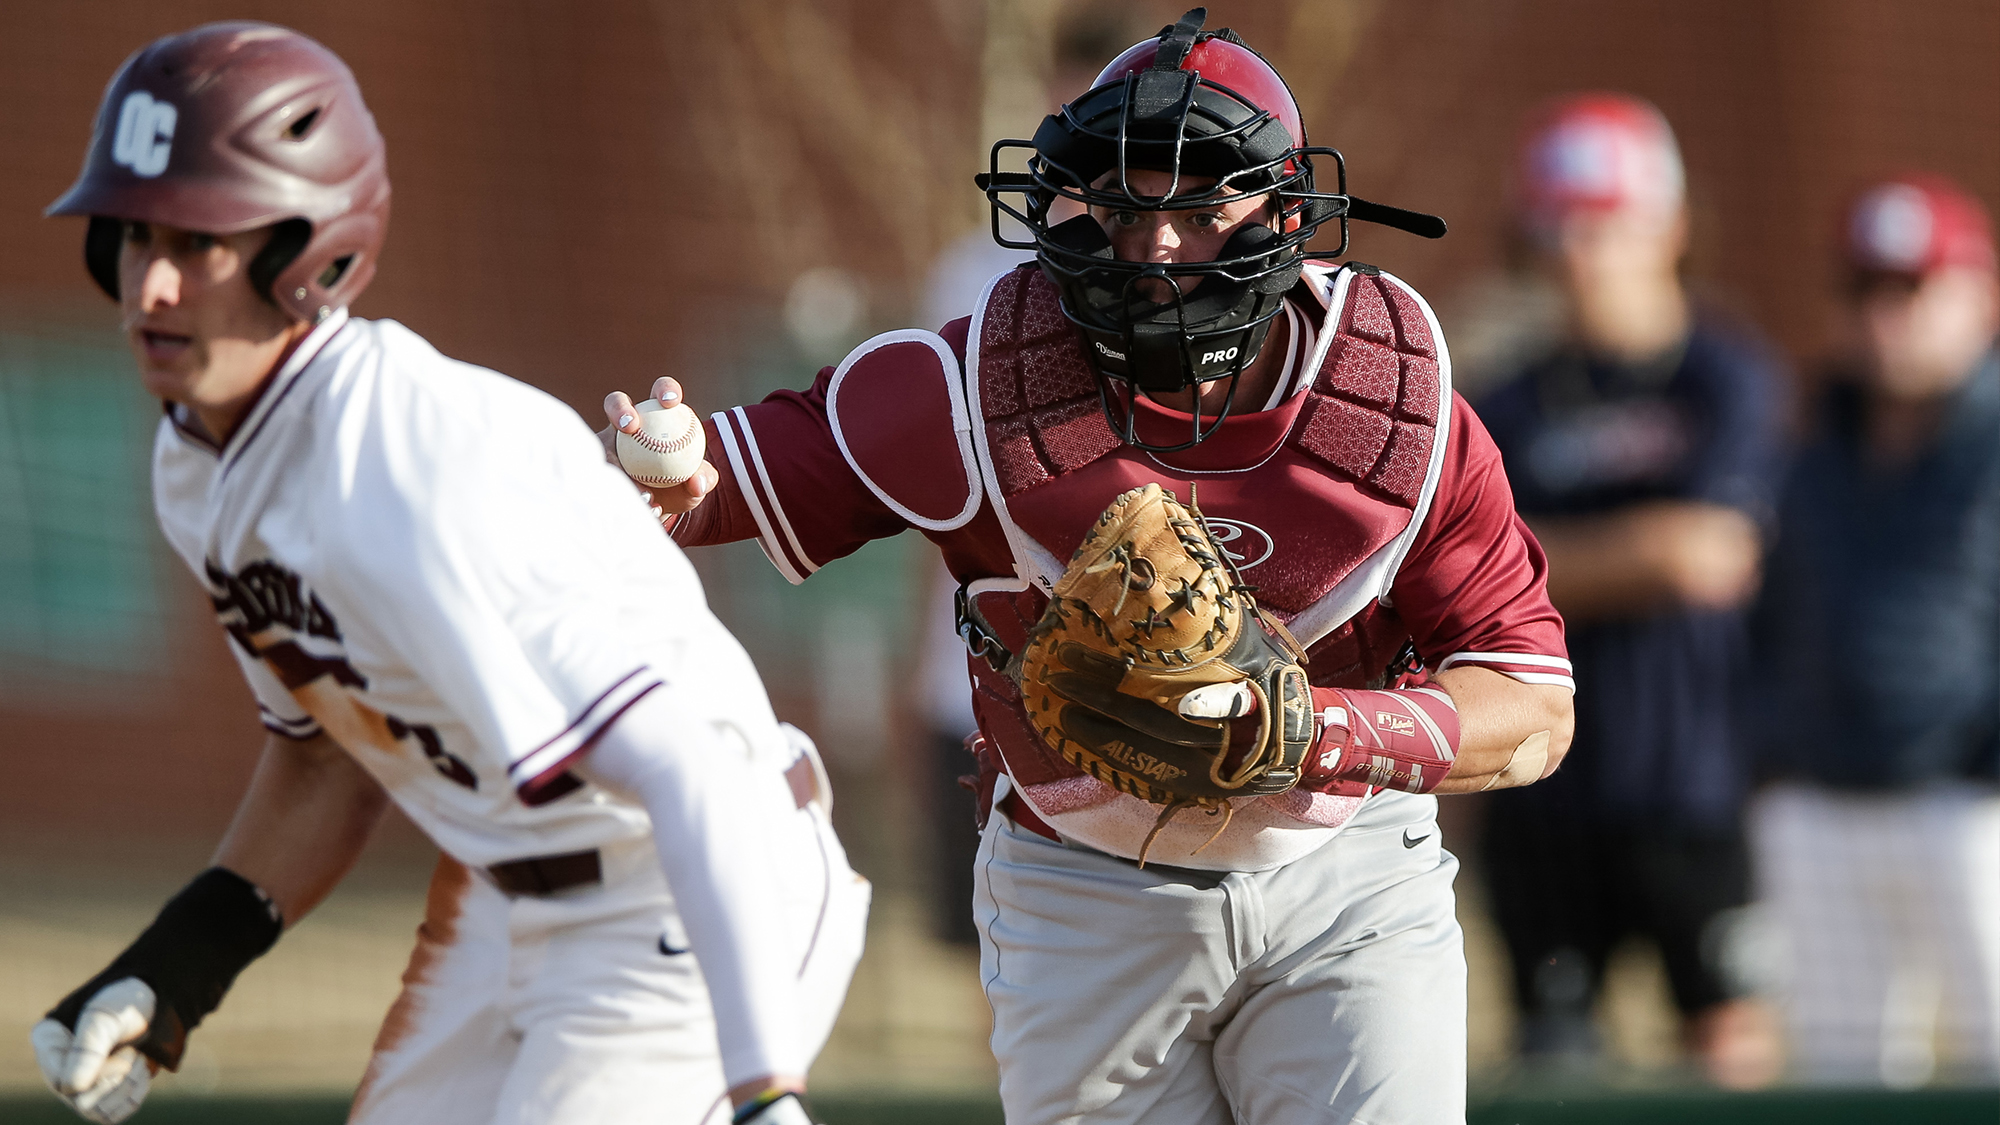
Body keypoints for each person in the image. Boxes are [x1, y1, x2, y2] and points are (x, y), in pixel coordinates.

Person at [606, 11, 1575, 1122]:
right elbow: (709, 482)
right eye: (1120, 207)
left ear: (1286, 217)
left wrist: (1315, 729)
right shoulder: (972, 388)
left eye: (1199, 210)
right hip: (1081, 875)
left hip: (1345, 876)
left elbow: (1533, 708)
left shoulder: (1395, 413)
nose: (1153, 247)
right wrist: (652, 475)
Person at [27, 23, 865, 1125]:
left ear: (310, 254)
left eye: (200, 241)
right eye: (135, 237)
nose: (155, 284)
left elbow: (693, 773)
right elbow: (328, 749)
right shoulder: (199, 462)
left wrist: (763, 1092)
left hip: (692, 893)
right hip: (509, 903)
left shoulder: (418, 468)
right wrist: (181, 961)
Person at [1472, 94, 1786, 1086]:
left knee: (1727, 1043)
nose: (1582, 253)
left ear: (1671, 225)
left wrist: (1535, 563)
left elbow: (1708, 554)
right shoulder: (1506, 402)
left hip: (1697, 784)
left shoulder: (1726, 377)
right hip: (1542, 788)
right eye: (1559, 227)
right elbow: (1464, 577)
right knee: (1554, 1062)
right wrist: (1637, 549)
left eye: (1606, 223)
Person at [1751, 174, 2000, 1087]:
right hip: (1819, 801)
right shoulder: (1814, 440)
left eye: (1912, 289)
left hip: (1970, 804)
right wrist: (1771, 751)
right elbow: (1771, 609)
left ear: (1980, 294)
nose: (1886, 319)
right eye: (1865, 291)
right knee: (1843, 1084)